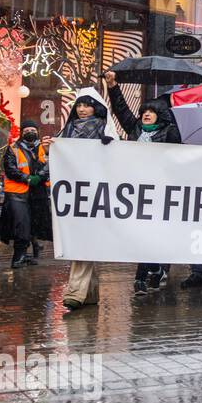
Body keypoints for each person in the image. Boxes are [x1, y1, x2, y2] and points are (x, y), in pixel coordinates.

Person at [105, 71, 183, 293]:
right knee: (141, 233)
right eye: (144, 112)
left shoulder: (170, 132)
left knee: (155, 232)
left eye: (151, 111)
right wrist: (113, 86)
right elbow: (121, 110)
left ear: (161, 115)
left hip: (161, 191)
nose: (147, 114)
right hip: (137, 189)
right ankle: (154, 270)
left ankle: (145, 275)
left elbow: (178, 159)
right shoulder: (135, 129)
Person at [55, 94, 112, 309]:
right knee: (85, 238)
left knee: (83, 239)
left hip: (94, 190)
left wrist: (109, 146)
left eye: (87, 106)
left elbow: (114, 157)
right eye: (79, 105)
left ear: (95, 108)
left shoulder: (104, 127)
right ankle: (90, 293)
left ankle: (75, 292)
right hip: (73, 189)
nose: (81, 109)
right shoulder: (69, 128)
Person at [1, 120, 49, 269]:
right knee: (21, 224)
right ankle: (18, 258)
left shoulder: (43, 148)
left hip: (37, 193)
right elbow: (10, 169)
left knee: (34, 224)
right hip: (17, 194)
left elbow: (49, 165)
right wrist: (27, 178)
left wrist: (39, 176)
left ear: (37, 132)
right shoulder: (13, 149)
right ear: (22, 133)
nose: (30, 132)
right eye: (27, 130)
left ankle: (28, 254)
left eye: (33, 130)